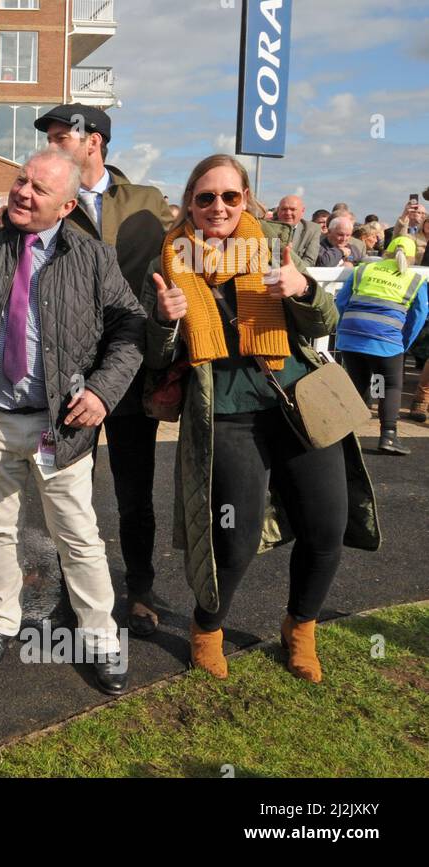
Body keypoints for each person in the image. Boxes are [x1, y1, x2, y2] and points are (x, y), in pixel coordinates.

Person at [142, 154, 380, 683]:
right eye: (206, 198)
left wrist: (302, 290)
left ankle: (300, 628)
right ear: (190, 203)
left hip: (298, 399)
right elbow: (156, 357)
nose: (219, 207)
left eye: (230, 196)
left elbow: (326, 319)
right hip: (225, 411)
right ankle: (207, 628)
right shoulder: (168, 262)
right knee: (236, 536)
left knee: (327, 524)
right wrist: (164, 321)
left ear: (246, 198)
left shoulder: (277, 245)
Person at [0, 148, 144, 695]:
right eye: (21, 180)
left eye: (39, 189)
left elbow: (130, 328)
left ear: (67, 205)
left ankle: (101, 637)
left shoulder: (92, 257)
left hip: (59, 425)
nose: (22, 192)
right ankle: (0, 621)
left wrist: (103, 392)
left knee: (78, 535)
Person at [37, 102, 174, 637]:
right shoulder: (52, 203)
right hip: (66, 374)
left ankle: (139, 588)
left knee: (135, 490)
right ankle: (77, 594)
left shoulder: (146, 203)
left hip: (131, 366)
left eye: (59, 137)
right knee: (67, 493)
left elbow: (188, 252)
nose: (52, 147)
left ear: (93, 141)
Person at [335, 235, 429, 455]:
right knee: (391, 386)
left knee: (357, 382)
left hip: (351, 335)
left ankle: (343, 436)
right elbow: (420, 314)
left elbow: (341, 301)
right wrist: (404, 341)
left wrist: (348, 327)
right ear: (413, 256)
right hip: (386, 340)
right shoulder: (415, 279)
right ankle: (388, 436)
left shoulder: (362, 270)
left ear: (386, 252)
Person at [275, 195, 322, 268]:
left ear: (302, 211)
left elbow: (309, 261)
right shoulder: (267, 227)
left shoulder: (312, 230)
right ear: (278, 211)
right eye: (284, 209)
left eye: (293, 209)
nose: (288, 213)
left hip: (298, 275)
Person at [382, 196, 427, 263]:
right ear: (410, 213)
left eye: (425, 214)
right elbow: (400, 238)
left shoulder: (423, 233)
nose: (423, 216)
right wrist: (404, 215)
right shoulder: (411, 236)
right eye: (420, 213)